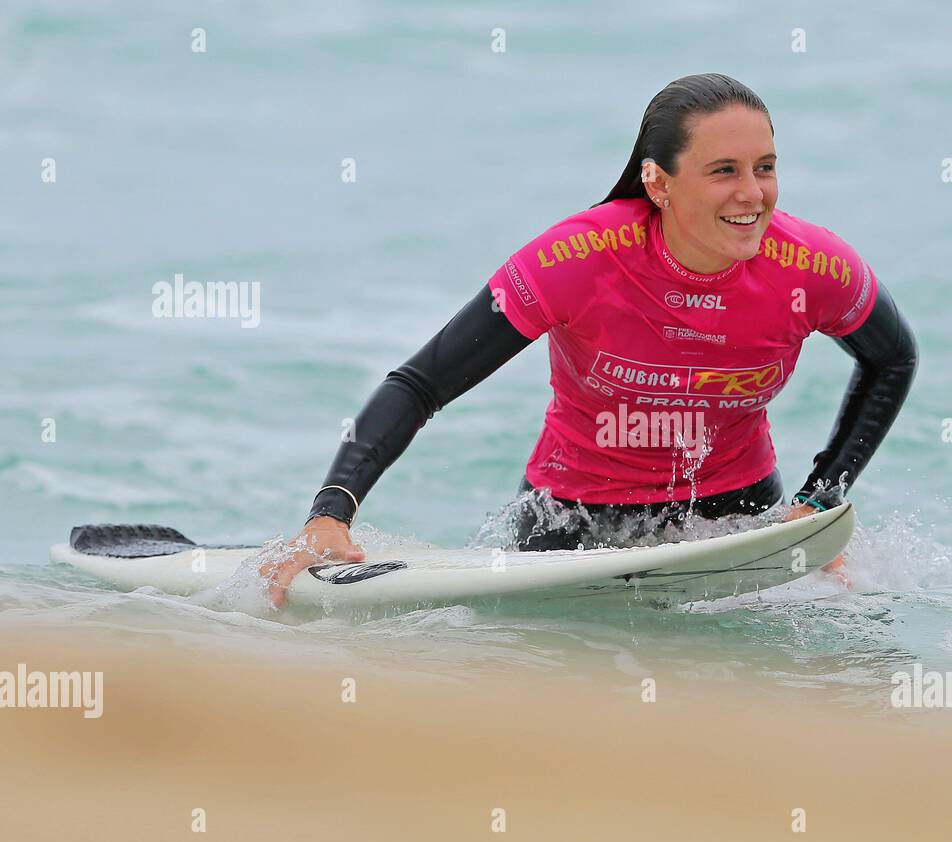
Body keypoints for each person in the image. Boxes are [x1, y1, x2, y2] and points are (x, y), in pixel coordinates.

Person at [260, 73, 918, 608]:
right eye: (724, 171)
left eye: (765, 167)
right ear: (658, 181)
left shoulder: (812, 267)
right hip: (571, 525)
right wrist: (332, 513)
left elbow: (892, 358)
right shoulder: (580, 259)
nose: (753, 194)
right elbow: (421, 383)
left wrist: (818, 498)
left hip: (734, 524)